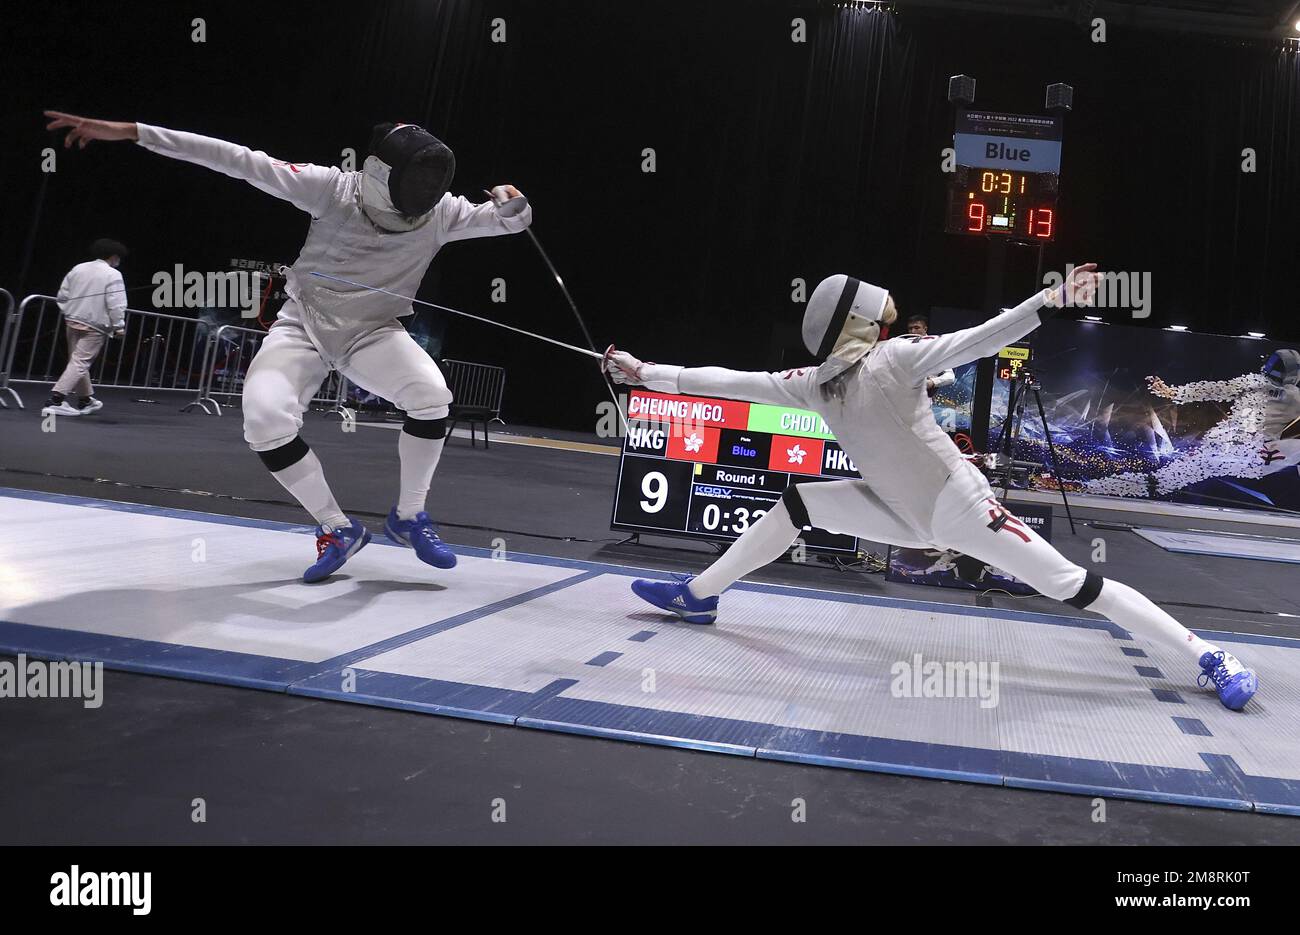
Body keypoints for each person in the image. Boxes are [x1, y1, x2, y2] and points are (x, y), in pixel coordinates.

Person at [604, 265, 1257, 711]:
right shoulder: (850, 372)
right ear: (858, 319)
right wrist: (646, 372)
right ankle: (698, 596)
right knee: (799, 502)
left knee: (1073, 585)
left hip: (962, 508)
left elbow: (983, 339)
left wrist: (646, 371)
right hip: (901, 512)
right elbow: (730, 381)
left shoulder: (855, 370)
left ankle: (1209, 656)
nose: (889, 304)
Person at [46, 111, 532, 582]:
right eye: (417, 179)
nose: (426, 190)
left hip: (373, 332)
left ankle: (409, 517)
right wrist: (134, 132)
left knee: (431, 397)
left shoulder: (442, 212)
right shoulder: (331, 188)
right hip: (304, 327)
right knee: (264, 420)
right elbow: (236, 159)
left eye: (432, 180)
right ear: (382, 172)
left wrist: (513, 202)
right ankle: (337, 528)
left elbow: (510, 221)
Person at [41, 238, 128, 417]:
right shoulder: (113, 274)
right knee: (80, 362)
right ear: (113, 256)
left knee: (77, 361)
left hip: (72, 321)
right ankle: (56, 400)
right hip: (95, 325)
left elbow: (63, 294)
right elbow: (116, 302)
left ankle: (85, 400)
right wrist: (119, 325)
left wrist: (69, 312)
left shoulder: (78, 268)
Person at [905, 314, 955, 396]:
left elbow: (950, 376)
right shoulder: (904, 346)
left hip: (924, 397)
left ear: (925, 329)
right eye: (910, 328)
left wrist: (931, 382)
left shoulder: (935, 347)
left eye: (917, 328)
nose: (913, 331)